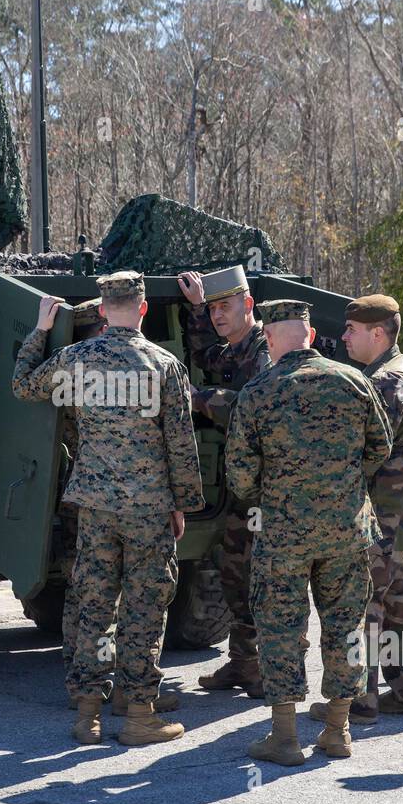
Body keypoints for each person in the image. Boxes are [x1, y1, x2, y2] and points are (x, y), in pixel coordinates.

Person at [12, 271, 205, 746]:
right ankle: (139, 713)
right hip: (149, 507)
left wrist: (40, 330)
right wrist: (183, 504)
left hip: (94, 506)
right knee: (144, 605)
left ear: (101, 309)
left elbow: (22, 386)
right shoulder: (163, 364)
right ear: (142, 309)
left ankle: (88, 713)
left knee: (94, 602)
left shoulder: (76, 359)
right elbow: (180, 443)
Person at [225, 300, 392, 765]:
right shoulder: (354, 381)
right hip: (346, 530)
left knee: (280, 629)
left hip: (283, 533)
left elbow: (239, 474)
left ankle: (285, 738)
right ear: (312, 335)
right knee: (345, 627)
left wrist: (275, 494)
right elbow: (381, 446)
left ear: (271, 339)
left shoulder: (258, 392)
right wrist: (341, 484)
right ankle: (337, 732)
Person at [326, 293, 403, 724]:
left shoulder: (384, 383)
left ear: (378, 333)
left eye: (351, 330)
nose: (344, 336)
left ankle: (360, 700)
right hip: (402, 507)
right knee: (397, 603)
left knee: (364, 603)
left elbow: (366, 452)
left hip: (381, 511)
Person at [176, 265, 272, 698]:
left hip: (268, 486)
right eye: (214, 308)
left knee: (264, 576)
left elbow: (256, 405)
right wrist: (196, 310)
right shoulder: (234, 347)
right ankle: (244, 663)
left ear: (247, 305)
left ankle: (272, 669)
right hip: (244, 485)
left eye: (225, 306)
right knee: (235, 571)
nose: (218, 315)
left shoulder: (264, 349)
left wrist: (198, 399)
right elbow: (206, 357)